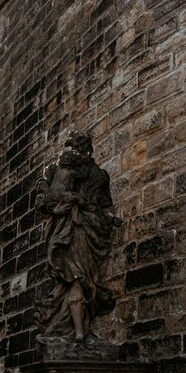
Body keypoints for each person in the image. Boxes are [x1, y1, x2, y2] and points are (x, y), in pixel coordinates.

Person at [35, 130, 120, 341]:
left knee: (90, 283)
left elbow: (105, 204)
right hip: (70, 229)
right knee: (77, 279)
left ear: (87, 148)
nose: (77, 150)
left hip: (93, 231)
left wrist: (110, 218)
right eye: (74, 146)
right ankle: (77, 332)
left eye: (79, 146)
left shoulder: (100, 175)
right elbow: (49, 200)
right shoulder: (62, 171)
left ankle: (82, 328)